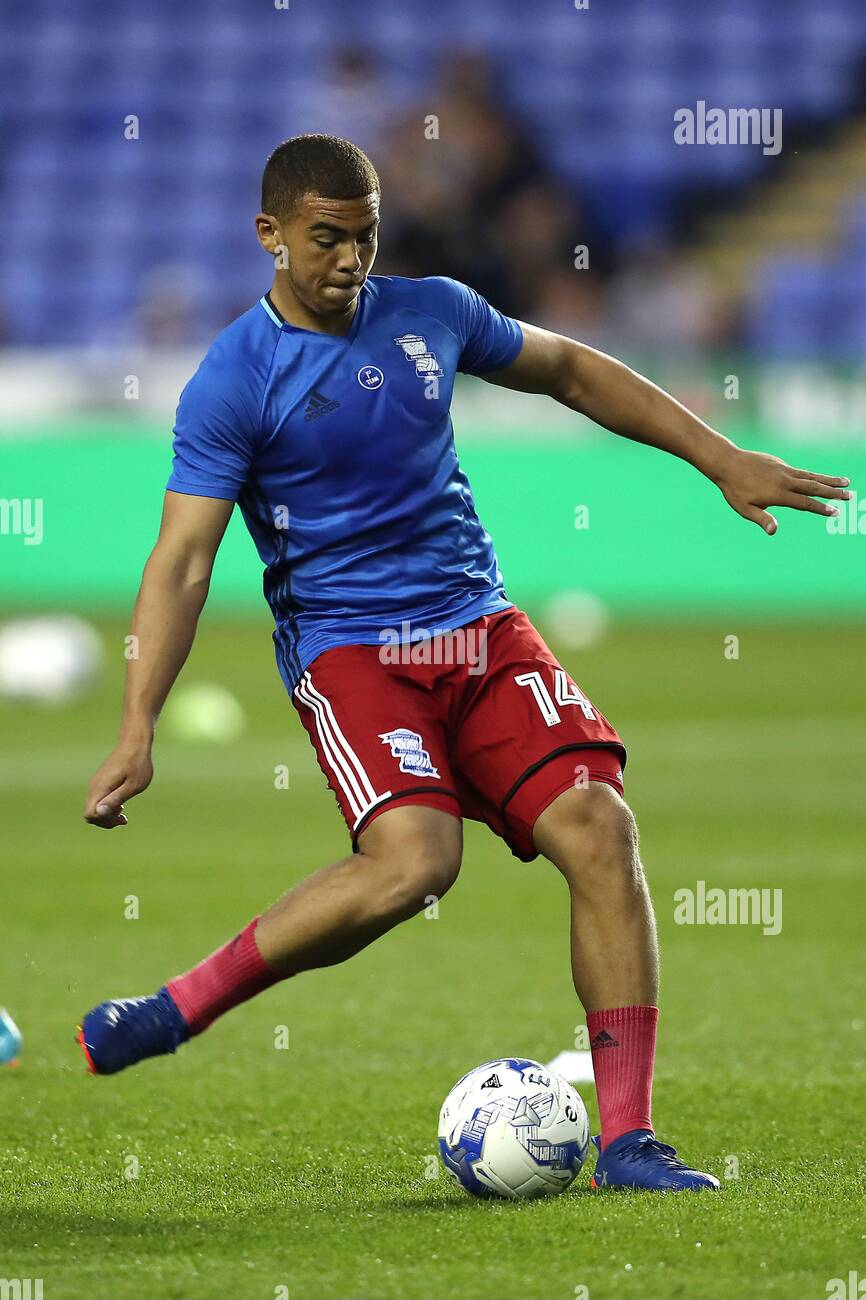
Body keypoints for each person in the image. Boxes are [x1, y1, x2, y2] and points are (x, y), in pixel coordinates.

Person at [79, 135, 850, 1192]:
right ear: (267, 235)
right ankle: (174, 1010)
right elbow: (182, 560)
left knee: (598, 823)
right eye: (323, 239)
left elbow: (572, 369)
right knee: (413, 863)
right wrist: (137, 724)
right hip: (354, 651)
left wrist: (720, 458)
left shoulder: (431, 310)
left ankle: (626, 1143)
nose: (349, 259)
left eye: (364, 235)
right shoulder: (233, 380)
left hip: (475, 630)